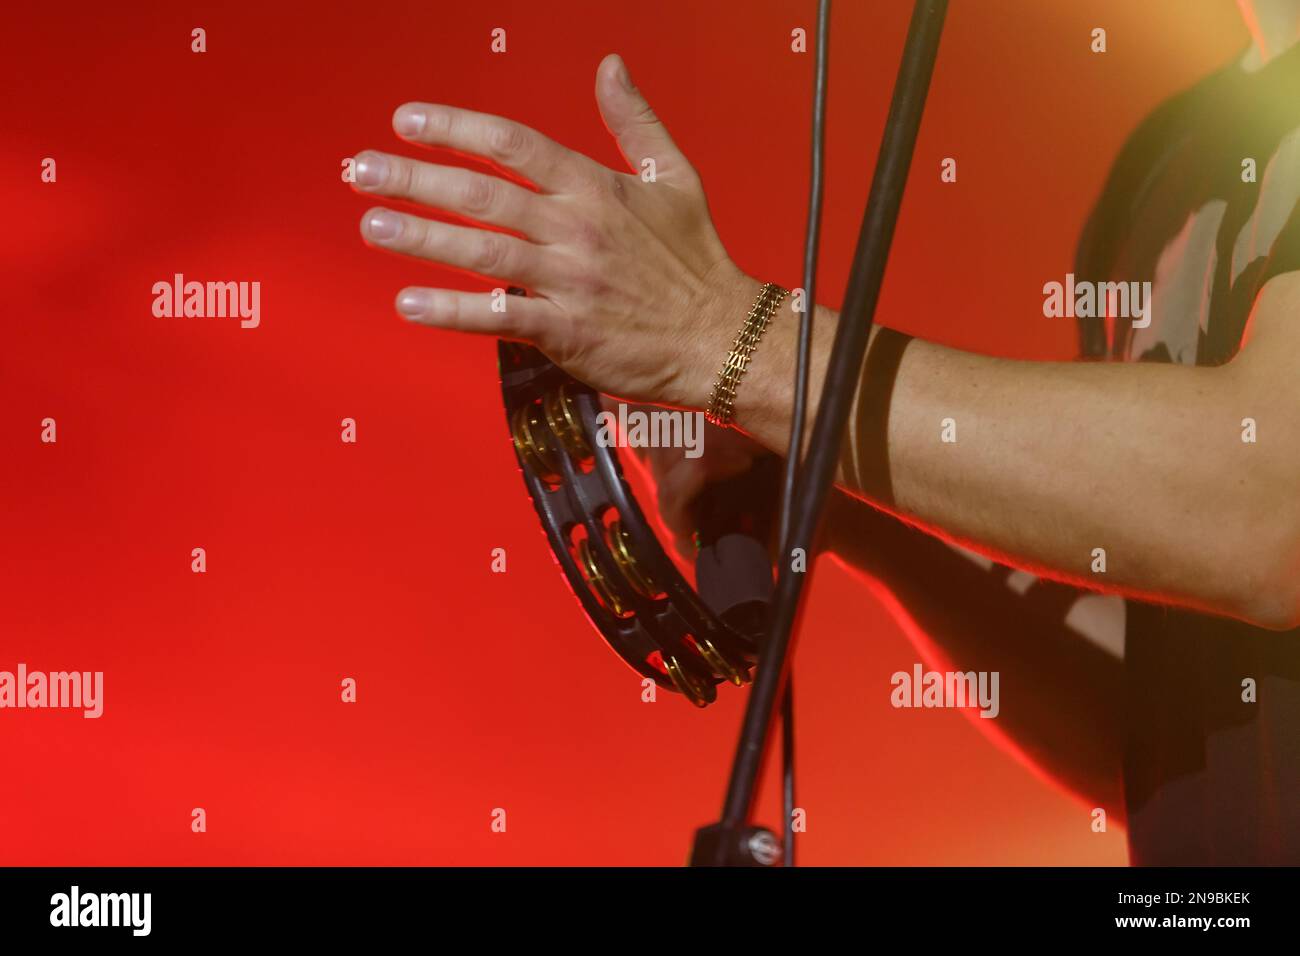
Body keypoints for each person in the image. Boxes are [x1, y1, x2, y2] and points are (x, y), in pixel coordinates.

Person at [350, 1, 1300, 864]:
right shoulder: (1169, 161)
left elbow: (1269, 514)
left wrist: (724, 336)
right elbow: (1142, 724)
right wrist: (830, 486)